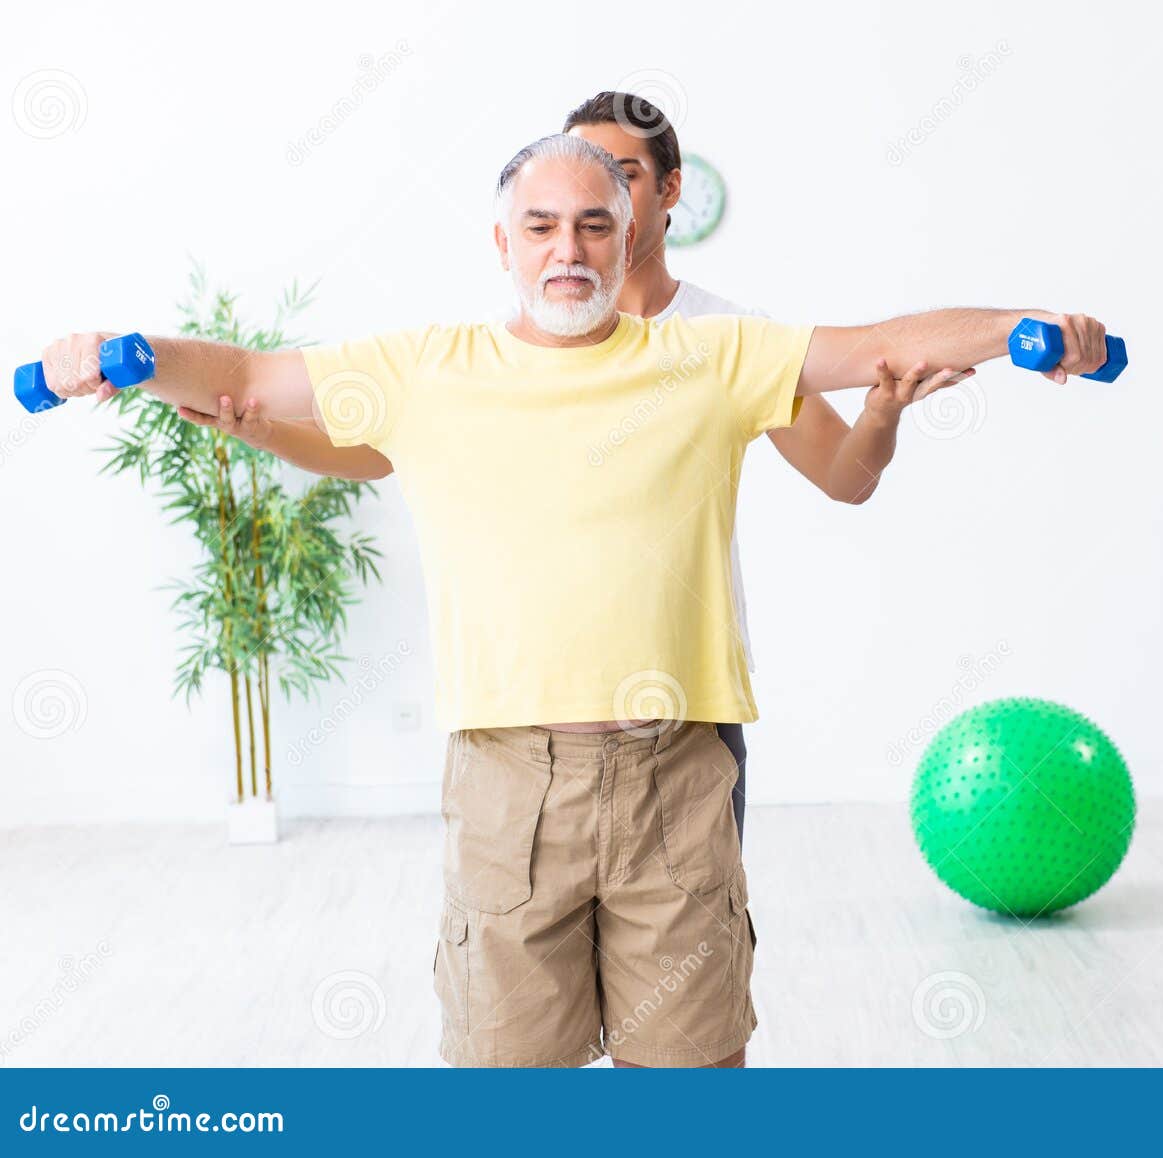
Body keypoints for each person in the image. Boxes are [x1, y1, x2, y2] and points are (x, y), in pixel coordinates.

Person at [40, 133, 1108, 1068]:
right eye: (541, 226)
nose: (568, 250)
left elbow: (886, 344)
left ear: (630, 236)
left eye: (595, 225)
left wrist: (1034, 324)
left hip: (675, 776)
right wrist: (106, 359)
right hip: (511, 786)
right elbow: (244, 373)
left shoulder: (712, 356)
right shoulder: (427, 369)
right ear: (501, 245)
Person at [177, 91, 955, 847]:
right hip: (525, 720)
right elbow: (383, 453)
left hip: (676, 702)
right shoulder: (520, 333)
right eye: (560, 192)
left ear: (660, 193)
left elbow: (847, 478)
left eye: (616, 176)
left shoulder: (725, 342)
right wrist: (269, 431)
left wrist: (882, 411)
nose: (583, 201)